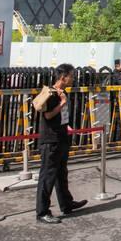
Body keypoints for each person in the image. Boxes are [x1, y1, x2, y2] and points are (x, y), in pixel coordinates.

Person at [36, 65, 86, 223]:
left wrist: (66, 125)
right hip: (51, 140)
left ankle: (66, 204)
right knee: (48, 176)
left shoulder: (63, 92)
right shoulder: (52, 94)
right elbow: (48, 115)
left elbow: (60, 116)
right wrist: (62, 102)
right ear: (63, 77)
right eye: (71, 76)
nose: (73, 78)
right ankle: (42, 212)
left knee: (61, 173)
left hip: (62, 136)